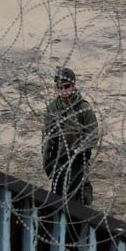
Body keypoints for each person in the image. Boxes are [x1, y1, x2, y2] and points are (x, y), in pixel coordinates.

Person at [42, 67, 99, 206]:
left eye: (66, 86)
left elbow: (93, 135)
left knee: (76, 203)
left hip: (76, 162)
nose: (63, 90)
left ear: (73, 85)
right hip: (58, 161)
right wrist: (47, 163)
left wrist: (77, 151)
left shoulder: (83, 108)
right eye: (59, 87)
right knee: (57, 202)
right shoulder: (52, 108)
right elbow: (47, 137)